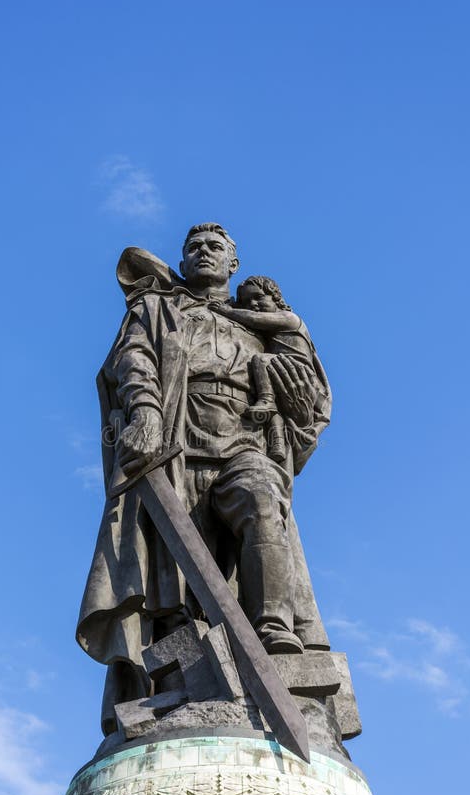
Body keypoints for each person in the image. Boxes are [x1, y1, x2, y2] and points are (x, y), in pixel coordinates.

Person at [76, 224, 332, 735]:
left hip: (244, 439)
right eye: (193, 247)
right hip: (176, 444)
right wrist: (146, 412)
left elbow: (311, 394)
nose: (203, 253)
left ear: (233, 262)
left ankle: (273, 629)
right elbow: (133, 360)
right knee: (175, 579)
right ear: (183, 261)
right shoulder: (157, 309)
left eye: (215, 247)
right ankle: (183, 684)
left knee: (262, 500)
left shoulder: (260, 324)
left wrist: (299, 398)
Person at [210, 275, 318, 461]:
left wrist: (227, 311)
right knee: (274, 409)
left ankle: (266, 398)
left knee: (260, 360)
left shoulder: (289, 318)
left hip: (295, 368)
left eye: (259, 297)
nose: (253, 304)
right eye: (247, 301)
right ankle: (277, 444)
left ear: (276, 298)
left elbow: (254, 319)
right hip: (279, 368)